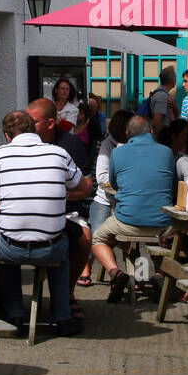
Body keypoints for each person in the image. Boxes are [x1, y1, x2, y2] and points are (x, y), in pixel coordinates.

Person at [0, 110, 91, 336]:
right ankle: (62, 315)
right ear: (34, 130)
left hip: (11, 248)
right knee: (60, 244)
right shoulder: (58, 153)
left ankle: (14, 312)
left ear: (7, 136)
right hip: (51, 248)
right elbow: (83, 187)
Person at [92, 116, 174, 302]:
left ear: (127, 134)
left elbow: (113, 183)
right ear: (151, 132)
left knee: (97, 237)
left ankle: (115, 273)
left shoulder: (118, 153)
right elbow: (172, 183)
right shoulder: (167, 152)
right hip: (162, 222)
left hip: (127, 220)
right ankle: (159, 274)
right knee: (162, 239)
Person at [27, 98, 93, 314]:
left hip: (65, 212)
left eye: (33, 122)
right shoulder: (18, 144)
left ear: (50, 123)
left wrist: (56, 197)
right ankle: (7, 299)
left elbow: (87, 186)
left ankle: (68, 292)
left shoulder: (71, 145)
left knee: (84, 238)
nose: (27, 126)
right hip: (26, 212)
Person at [78, 109, 132, 287]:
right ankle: (99, 270)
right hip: (104, 198)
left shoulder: (134, 145)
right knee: (97, 233)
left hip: (127, 201)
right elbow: (101, 178)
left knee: (132, 237)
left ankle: (122, 273)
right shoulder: (107, 144)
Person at [146, 67, 179, 135]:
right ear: (173, 80)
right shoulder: (162, 96)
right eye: (175, 77)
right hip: (162, 136)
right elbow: (157, 121)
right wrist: (164, 137)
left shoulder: (161, 93)